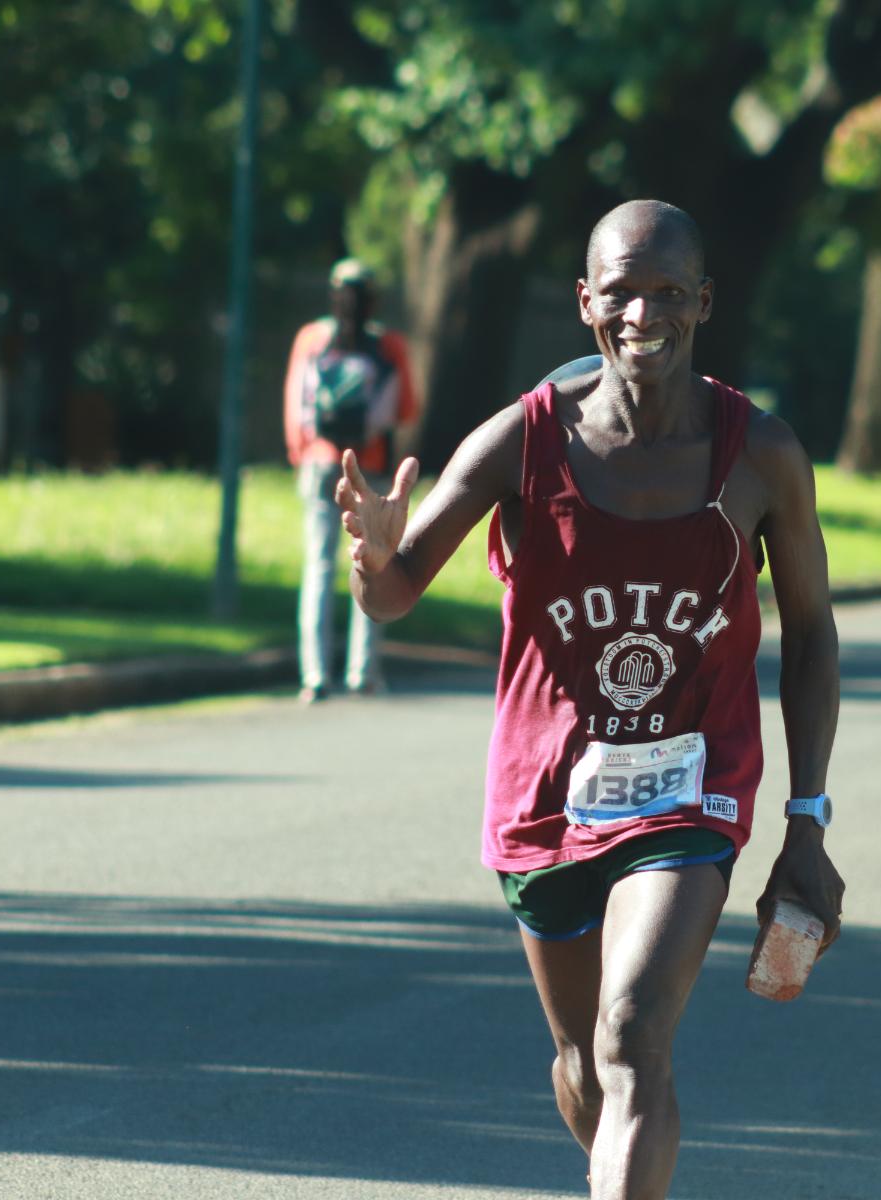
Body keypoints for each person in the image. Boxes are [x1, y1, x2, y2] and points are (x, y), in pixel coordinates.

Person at [337, 200, 844, 1198]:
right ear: (585, 303)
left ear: (704, 302)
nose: (642, 313)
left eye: (667, 293)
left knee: (631, 1034)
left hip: (690, 793)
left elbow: (813, 629)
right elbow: (394, 597)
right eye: (620, 291)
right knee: (583, 1070)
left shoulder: (761, 455)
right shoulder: (522, 442)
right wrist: (372, 557)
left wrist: (808, 817)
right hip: (547, 800)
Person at [282, 257, 419, 700]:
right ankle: (363, 672)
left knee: (318, 568)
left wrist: (300, 455)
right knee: (370, 562)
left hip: (321, 464)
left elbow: (294, 407)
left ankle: (314, 675)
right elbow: (406, 408)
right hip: (370, 466)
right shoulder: (389, 345)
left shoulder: (311, 338)